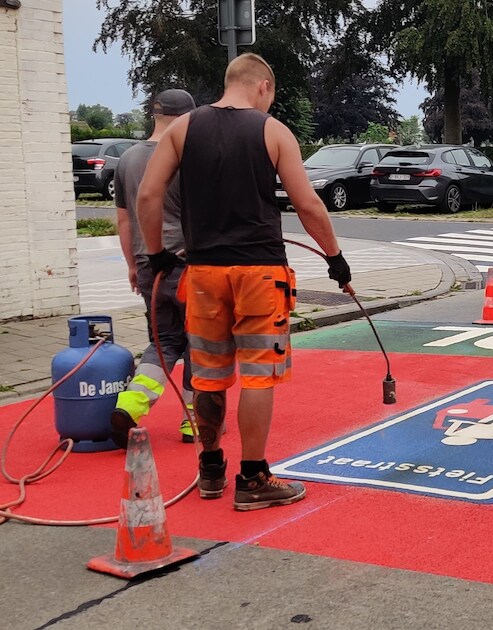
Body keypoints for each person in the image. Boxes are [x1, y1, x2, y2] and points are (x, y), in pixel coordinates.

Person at [136, 53, 352, 511]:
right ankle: (253, 478)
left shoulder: (182, 128)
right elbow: (309, 205)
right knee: (258, 376)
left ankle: (210, 468)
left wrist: (155, 255)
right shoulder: (272, 131)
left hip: (203, 273)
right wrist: (336, 259)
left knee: (209, 376)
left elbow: (149, 194)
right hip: (260, 272)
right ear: (264, 88)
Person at [110, 89, 197, 449]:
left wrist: (134, 264)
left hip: (148, 266)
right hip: (186, 265)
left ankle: (130, 404)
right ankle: (195, 421)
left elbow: (123, 220)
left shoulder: (127, 158)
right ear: (184, 118)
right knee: (200, 342)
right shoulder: (183, 156)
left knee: (162, 342)